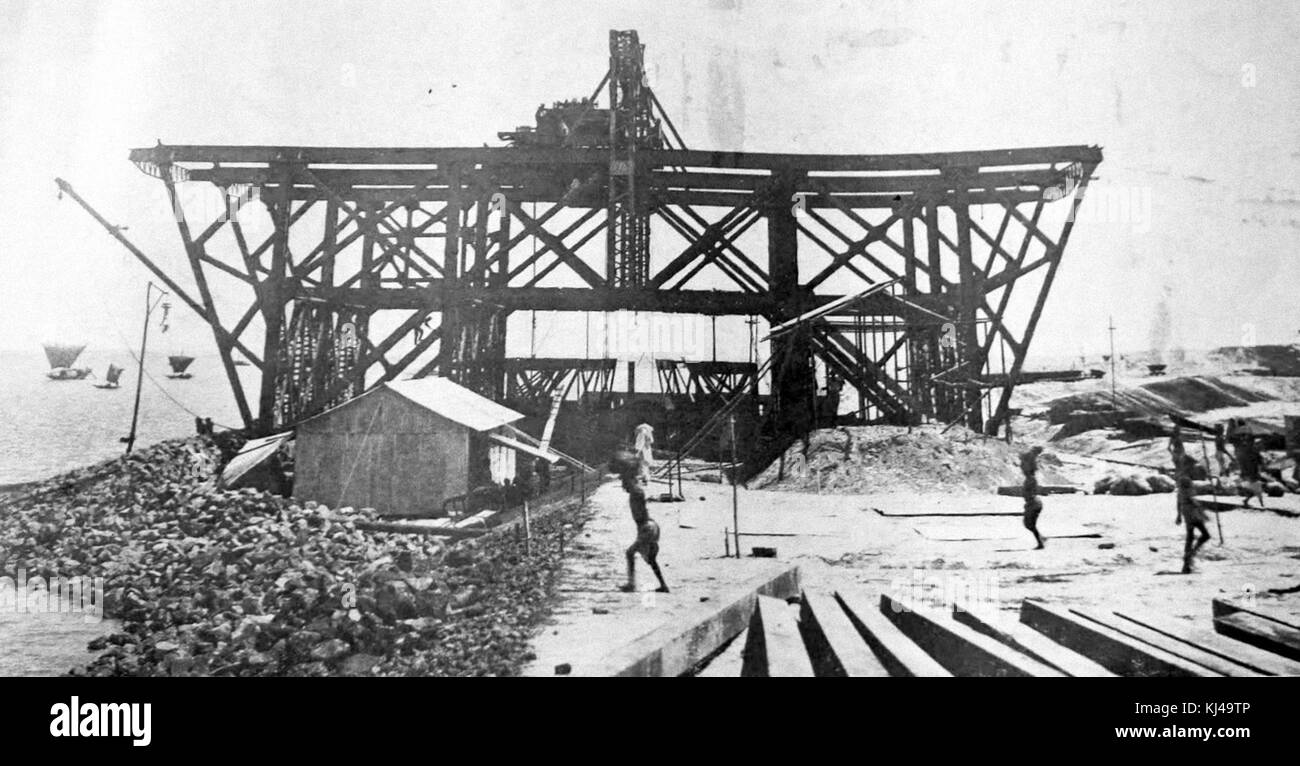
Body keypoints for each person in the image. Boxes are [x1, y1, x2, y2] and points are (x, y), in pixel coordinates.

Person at [610, 449, 669, 594]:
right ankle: (663, 585)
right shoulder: (636, 490)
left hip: (646, 528)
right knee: (651, 560)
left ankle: (631, 584)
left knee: (630, 553)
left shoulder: (636, 491)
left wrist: (627, 475)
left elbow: (636, 493)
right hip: (650, 527)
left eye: (624, 483)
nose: (623, 486)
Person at [1178, 474, 1212, 574]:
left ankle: (1187, 561)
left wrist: (1179, 515)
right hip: (1193, 515)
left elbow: (1178, 504)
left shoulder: (1180, 492)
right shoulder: (1187, 492)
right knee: (1205, 535)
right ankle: (1192, 553)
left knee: (1190, 537)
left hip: (1187, 515)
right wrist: (1203, 513)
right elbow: (1194, 502)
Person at [1020, 446, 1045, 549]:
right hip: (1032, 503)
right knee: (1028, 524)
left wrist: (1029, 502)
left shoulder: (1031, 478)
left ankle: (1041, 542)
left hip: (1033, 503)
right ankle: (1041, 540)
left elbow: (1031, 492)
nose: (1021, 468)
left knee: (1029, 524)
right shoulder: (1029, 478)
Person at [1238, 434, 1267, 508]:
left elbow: (1241, 462)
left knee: (1255, 488)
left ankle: (1251, 501)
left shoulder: (1245, 451)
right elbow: (1260, 461)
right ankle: (1261, 504)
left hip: (1250, 472)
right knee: (1256, 488)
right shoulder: (1251, 451)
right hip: (1250, 473)